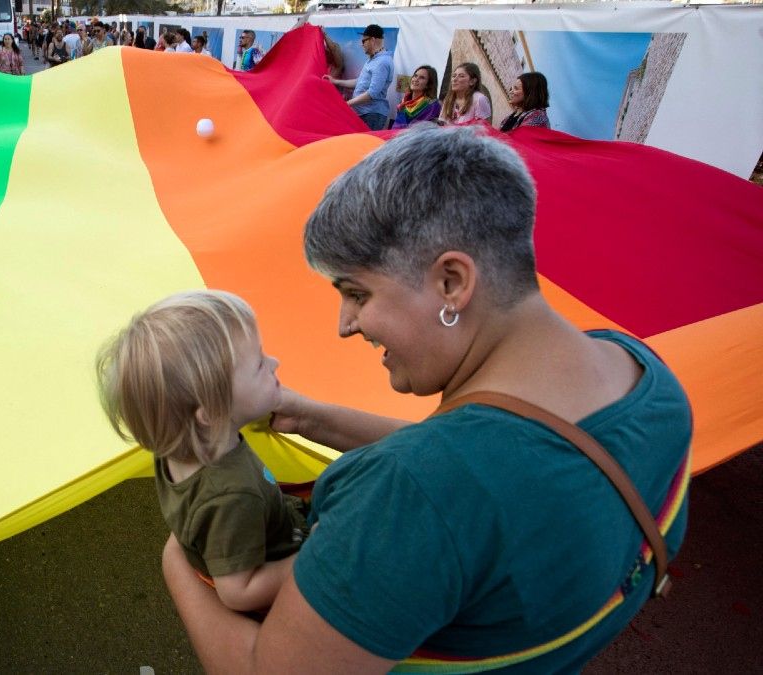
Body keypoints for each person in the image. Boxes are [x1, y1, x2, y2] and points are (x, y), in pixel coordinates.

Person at [161, 126, 691, 672]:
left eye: (357, 293)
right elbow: (491, 460)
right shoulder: (647, 378)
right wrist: (309, 417)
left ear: (452, 283)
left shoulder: (405, 499)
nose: (346, 325)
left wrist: (180, 555)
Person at [98, 290, 306, 613]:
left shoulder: (179, 447)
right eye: (259, 364)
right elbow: (239, 591)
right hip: (284, 587)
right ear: (211, 412)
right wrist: (314, 557)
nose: (274, 363)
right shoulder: (231, 495)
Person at [324, 24, 393, 131]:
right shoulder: (373, 60)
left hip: (372, 115)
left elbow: (372, 94)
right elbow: (359, 82)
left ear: (372, 40)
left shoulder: (382, 62)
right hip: (364, 113)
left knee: (366, 142)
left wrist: (347, 104)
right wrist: (335, 81)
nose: (362, 45)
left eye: (364, 41)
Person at [391, 65, 442, 129]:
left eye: (422, 78)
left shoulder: (432, 105)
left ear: (428, 84)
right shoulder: (404, 102)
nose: (416, 79)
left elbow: (424, 130)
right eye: (415, 76)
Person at [442, 61, 491, 126]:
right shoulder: (449, 99)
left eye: (461, 76)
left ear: (472, 81)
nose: (454, 79)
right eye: (454, 76)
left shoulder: (479, 99)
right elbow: (442, 123)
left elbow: (482, 129)